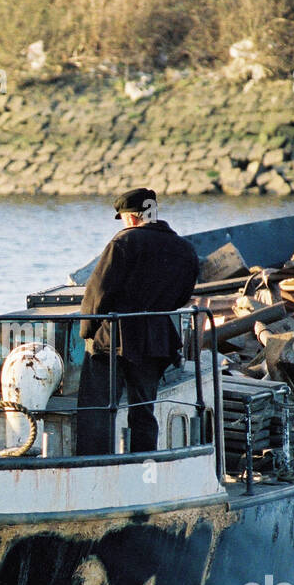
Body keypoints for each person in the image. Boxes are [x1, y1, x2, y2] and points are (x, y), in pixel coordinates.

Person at [75, 188, 199, 455]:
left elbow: (97, 293)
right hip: (156, 338)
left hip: (114, 338)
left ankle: (94, 464)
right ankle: (143, 461)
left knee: (98, 408)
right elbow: (182, 297)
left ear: (130, 217)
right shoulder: (184, 248)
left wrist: (88, 331)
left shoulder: (123, 243)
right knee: (143, 409)